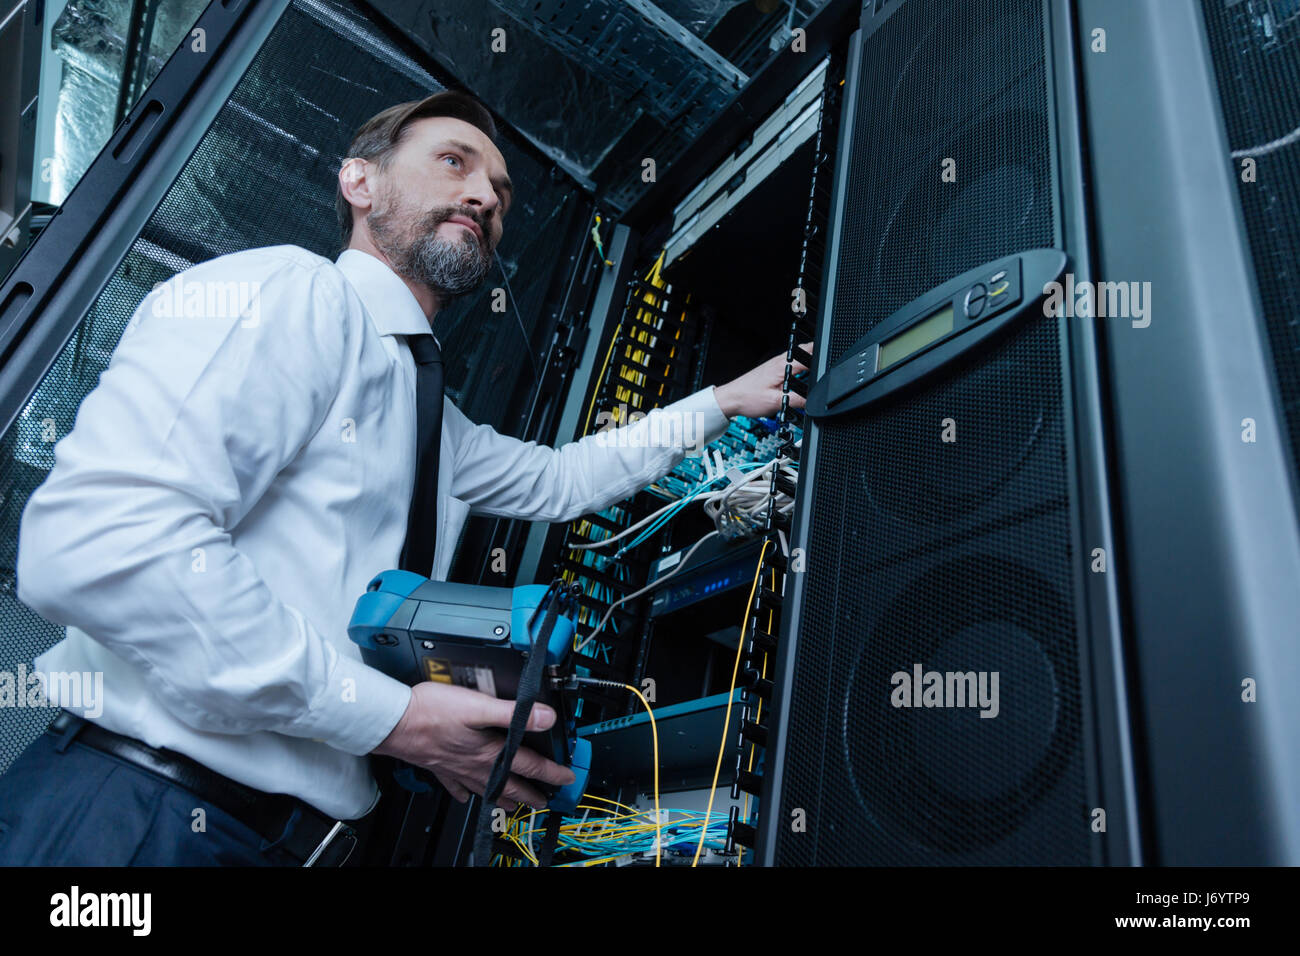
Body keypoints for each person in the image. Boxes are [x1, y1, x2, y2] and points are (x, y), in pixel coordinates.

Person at [0, 91, 807, 866]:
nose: (484, 195)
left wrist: (723, 401)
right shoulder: (292, 293)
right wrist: (397, 720)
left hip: (266, 839)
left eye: (498, 189)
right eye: (453, 161)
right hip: (133, 817)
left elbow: (560, 481)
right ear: (360, 181)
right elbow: (101, 547)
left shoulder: (426, 409)